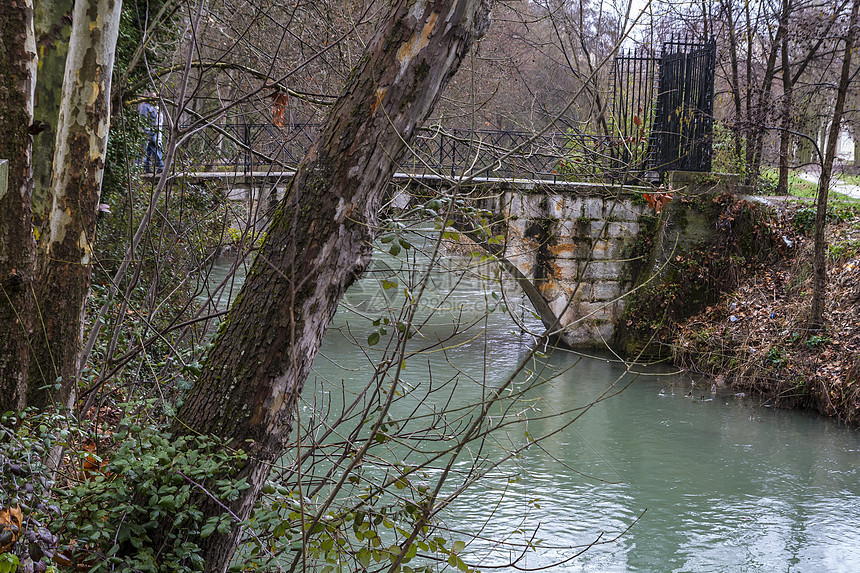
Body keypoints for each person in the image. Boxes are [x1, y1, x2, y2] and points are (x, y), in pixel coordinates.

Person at [138, 92, 164, 172]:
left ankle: (147, 166)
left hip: (157, 131)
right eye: (153, 98)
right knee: (153, 147)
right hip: (149, 131)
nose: (155, 100)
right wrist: (148, 132)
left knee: (150, 149)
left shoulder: (156, 107)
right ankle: (160, 165)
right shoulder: (145, 107)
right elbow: (143, 120)